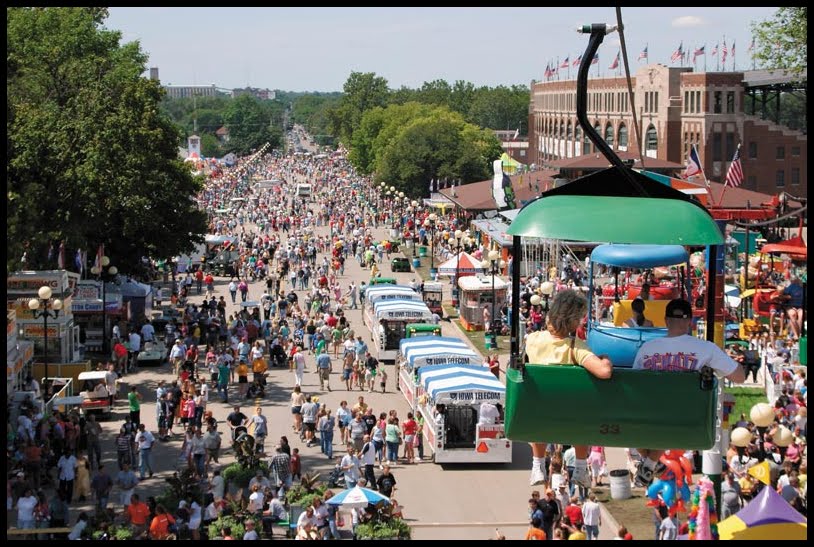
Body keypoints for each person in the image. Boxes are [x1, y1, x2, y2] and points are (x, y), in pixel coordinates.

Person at [632, 299, 745, 486]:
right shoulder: (705, 348)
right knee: (672, 411)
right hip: (689, 419)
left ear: (666, 320)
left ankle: (650, 461)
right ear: (690, 321)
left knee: (649, 415)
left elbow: (634, 382)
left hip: (649, 416)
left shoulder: (647, 348)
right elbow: (739, 377)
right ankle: (651, 463)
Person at [524, 289, 613, 486]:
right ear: (573, 321)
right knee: (584, 411)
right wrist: (606, 359)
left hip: (539, 411)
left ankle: (537, 465)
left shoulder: (533, 339)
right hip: (570, 415)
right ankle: (580, 468)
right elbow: (604, 372)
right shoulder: (575, 347)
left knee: (540, 412)